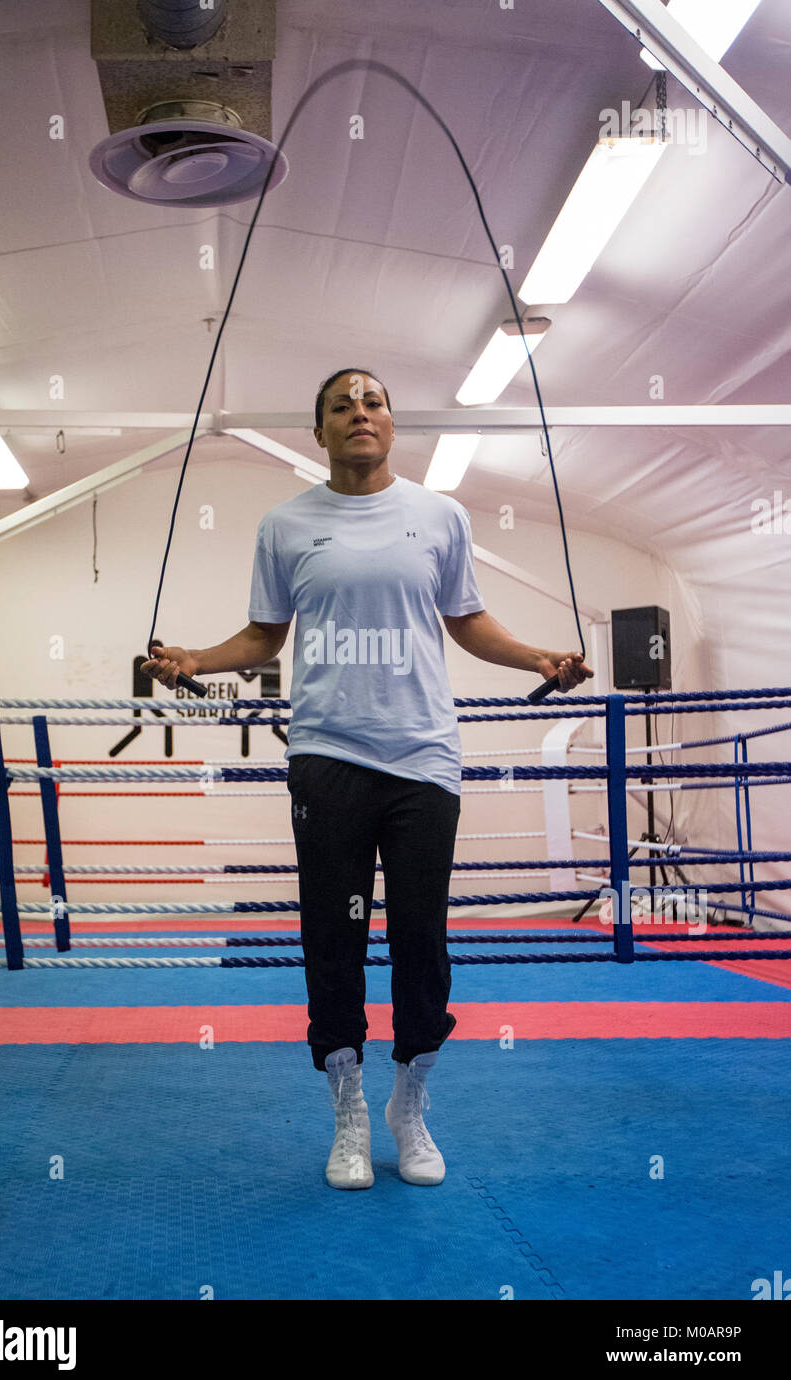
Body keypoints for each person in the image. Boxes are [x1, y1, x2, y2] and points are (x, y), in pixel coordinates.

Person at [142, 368, 592, 1191]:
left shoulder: (440, 516)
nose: (359, 412)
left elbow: (465, 620)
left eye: (374, 401)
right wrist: (194, 660)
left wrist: (538, 658)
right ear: (318, 433)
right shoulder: (286, 525)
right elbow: (263, 636)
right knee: (332, 938)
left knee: (421, 938)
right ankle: (348, 1108)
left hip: (423, 758)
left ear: (392, 424)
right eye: (341, 405)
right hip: (328, 756)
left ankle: (408, 1104)